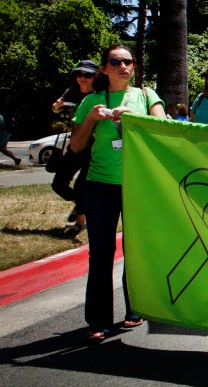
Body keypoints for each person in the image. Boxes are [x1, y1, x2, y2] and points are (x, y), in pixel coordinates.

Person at [69, 44, 166, 343]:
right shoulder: (92, 101)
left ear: (134, 66)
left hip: (138, 183)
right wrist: (91, 120)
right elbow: (75, 146)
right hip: (100, 184)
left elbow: (164, 129)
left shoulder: (146, 96)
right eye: (115, 62)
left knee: (135, 250)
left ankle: (135, 308)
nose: (123, 66)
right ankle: (99, 320)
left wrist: (133, 121)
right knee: (100, 252)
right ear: (104, 68)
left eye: (128, 62)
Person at [50, 60, 98, 232]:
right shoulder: (72, 92)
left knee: (81, 186)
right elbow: (55, 108)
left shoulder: (99, 94)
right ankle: (80, 205)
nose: (82, 78)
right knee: (58, 184)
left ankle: (80, 222)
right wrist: (58, 105)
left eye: (87, 75)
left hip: (94, 148)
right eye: (79, 74)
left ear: (96, 76)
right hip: (76, 145)